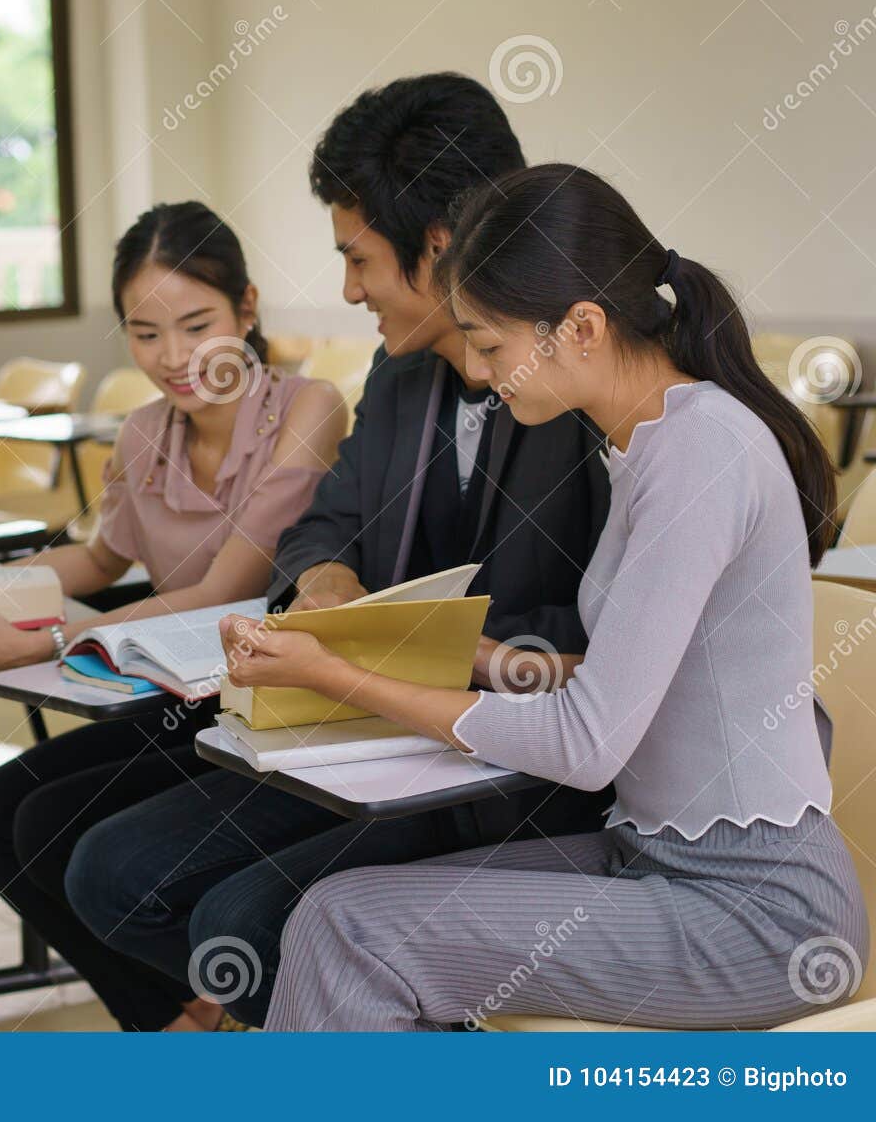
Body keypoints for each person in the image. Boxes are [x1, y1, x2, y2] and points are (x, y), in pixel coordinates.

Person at [243, 162, 867, 1031]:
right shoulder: (648, 444)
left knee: (350, 929)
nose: (478, 370)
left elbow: (587, 743)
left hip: (759, 914)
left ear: (581, 326)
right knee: (335, 914)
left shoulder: (700, 452)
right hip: (657, 859)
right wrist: (457, 648)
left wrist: (339, 676)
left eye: (490, 345)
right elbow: (626, 678)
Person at [64, 73, 611, 1029]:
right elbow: (325, 522)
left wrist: (420, 650)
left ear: (438, 245)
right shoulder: (401, 372)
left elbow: (616, 636)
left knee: (236, 920)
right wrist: (328, 581)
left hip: (519, 773)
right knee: (111, 871)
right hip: (382, 739)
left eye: (358, 258)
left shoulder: (589, 390)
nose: (348, 288)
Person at [0, 200, 348, 1032]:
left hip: (261, 707)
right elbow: (99, 560)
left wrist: (50, 634)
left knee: (50, 827)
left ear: (247, 308)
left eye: (198, 324)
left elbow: (225, 592)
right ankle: (174, 1021)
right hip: (170, 697)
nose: (175, 358)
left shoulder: (307, 412)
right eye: (146, 333)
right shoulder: (141, 433)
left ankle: (185, 1019)